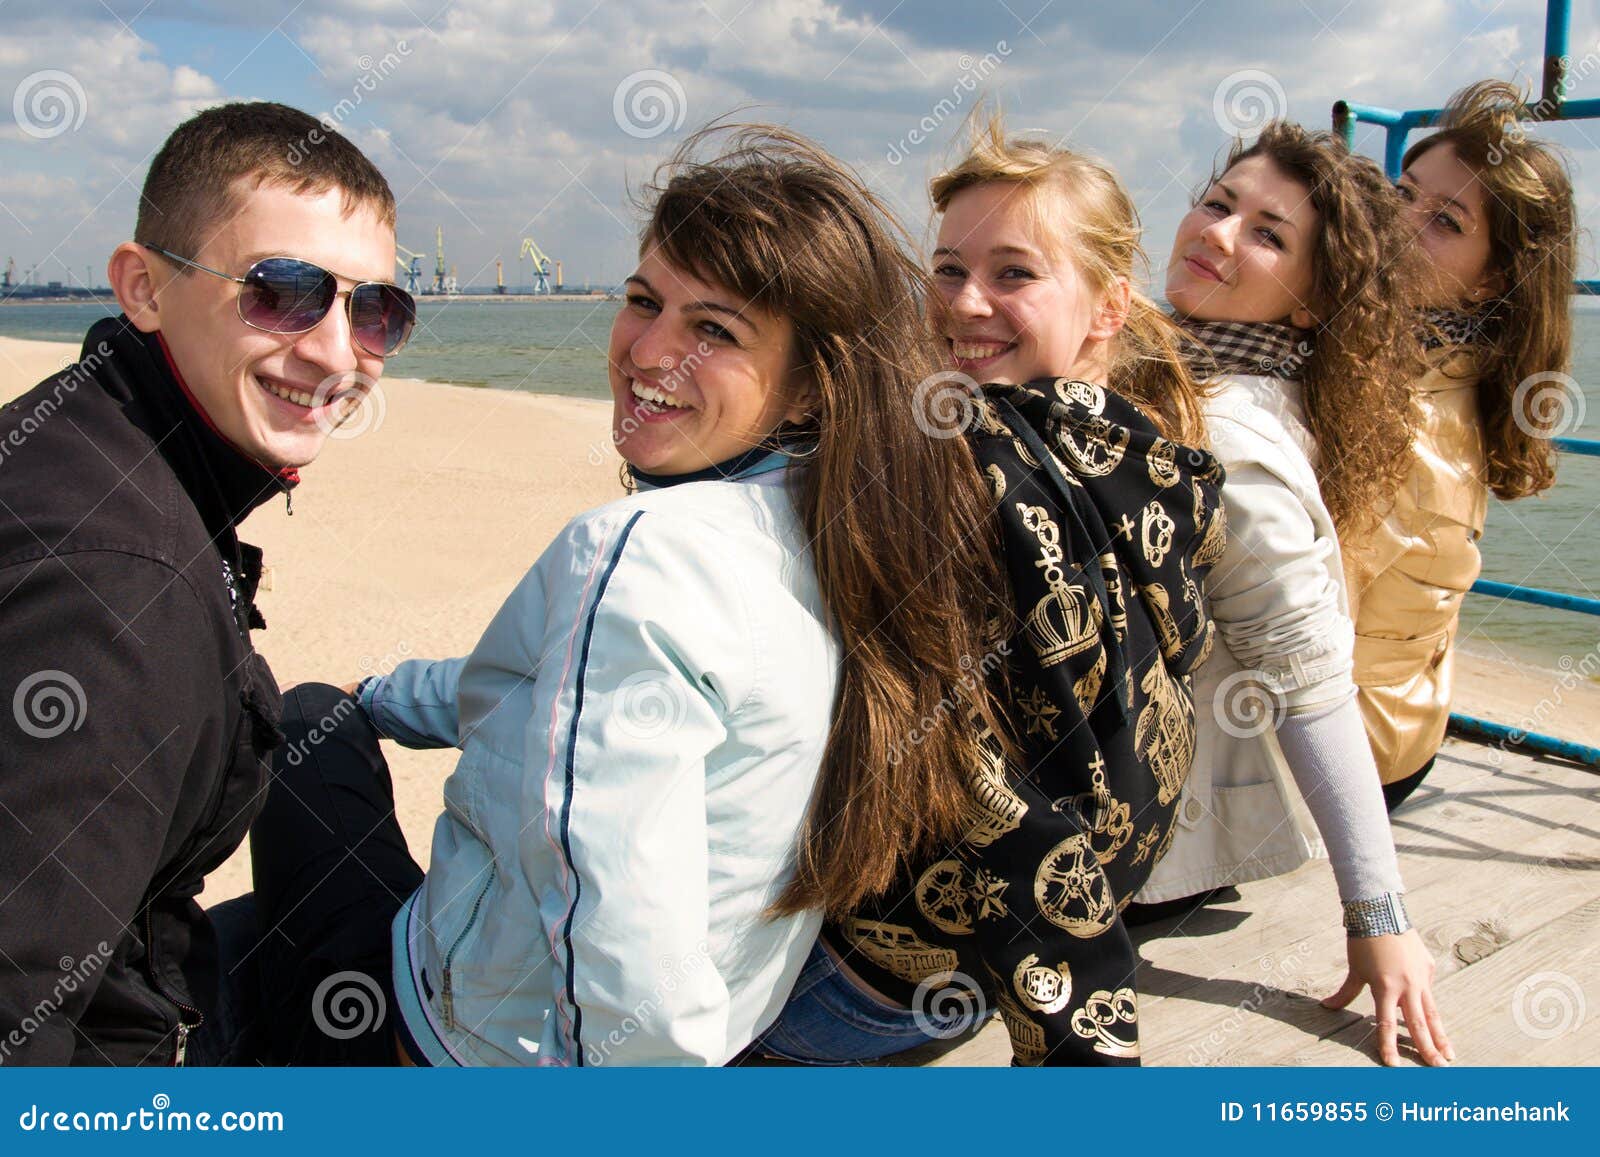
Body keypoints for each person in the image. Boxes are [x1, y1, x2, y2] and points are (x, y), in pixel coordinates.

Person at [233, 124, 1020, 1066]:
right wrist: (385, 696)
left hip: (447, 1049)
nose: (650, 353)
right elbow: (536, 686)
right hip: (715, 1021)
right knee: (334, 715)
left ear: (812, 387)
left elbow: (620, 933)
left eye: (713, 330)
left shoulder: (645, 555)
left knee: (301, 730)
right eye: (645, 301)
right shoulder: (851, 533)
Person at [753, 114, 1227, 1067]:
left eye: (1014, 273)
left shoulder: (959, 464)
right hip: (995, 960)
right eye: (947, 269)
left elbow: (989, 785)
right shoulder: (1153, 457)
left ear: (1105, 307)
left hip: (874, 972)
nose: (966, 303)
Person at [0, 102, 412, 1065]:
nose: (336, 352)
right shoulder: (115, 597)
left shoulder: (86, 439)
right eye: (283, 292)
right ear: (144, 287)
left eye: (376, 309)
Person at [1131, 120, 1452, 1065]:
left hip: (1152, 840)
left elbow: (1311, 681)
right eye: (1220, 202)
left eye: (1268, 234)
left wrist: (1380, 916)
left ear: (1310, 302)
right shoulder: (1179, 363)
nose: (1219, 232)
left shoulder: (1229, 437)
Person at [1343, 80, 1577, 812]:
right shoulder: (1426, 361)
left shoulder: (1402, 418)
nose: (1398, 223)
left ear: (1493, 280)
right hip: (1405, 722)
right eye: (1402, 191)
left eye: (1443, 221)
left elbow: (1303, 629)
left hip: (1357, 749)